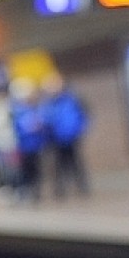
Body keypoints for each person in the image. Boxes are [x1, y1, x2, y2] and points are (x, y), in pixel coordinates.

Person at [39, 72, 90, 200]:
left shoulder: (71, 99)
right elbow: (44, 118)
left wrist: (79, 130)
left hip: (70, 137)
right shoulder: (47, 103)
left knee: (75, 163)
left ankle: (82, 186)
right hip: (55, 138)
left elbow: (84, 115)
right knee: (58, 165)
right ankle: (59, 189)